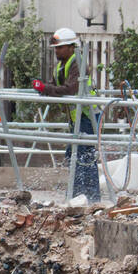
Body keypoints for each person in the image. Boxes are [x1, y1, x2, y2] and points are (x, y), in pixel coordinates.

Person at [33, 27, 100, 202]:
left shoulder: (77, 63)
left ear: (71, 47)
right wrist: (42, 86)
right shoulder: (62, 65)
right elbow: (55, 85)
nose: (57, 51)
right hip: (75, 117)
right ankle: (78, 194)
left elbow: (70, 89)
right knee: (74, 154)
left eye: (60, 47)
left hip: (87, 116)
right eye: (56, 48)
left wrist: (46, 88)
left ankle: (89, 197)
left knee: (85, 156)